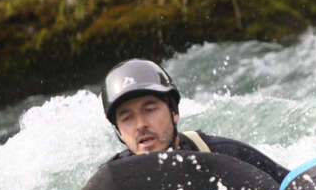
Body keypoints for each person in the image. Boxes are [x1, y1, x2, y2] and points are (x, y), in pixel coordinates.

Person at [101, 58, 288, 183]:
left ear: (174, 112)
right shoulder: (110, 183)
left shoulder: (225, 154)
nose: (140, 124)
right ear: (119, 131)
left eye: (149, 110)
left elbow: (293, 189)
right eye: (127, 118)